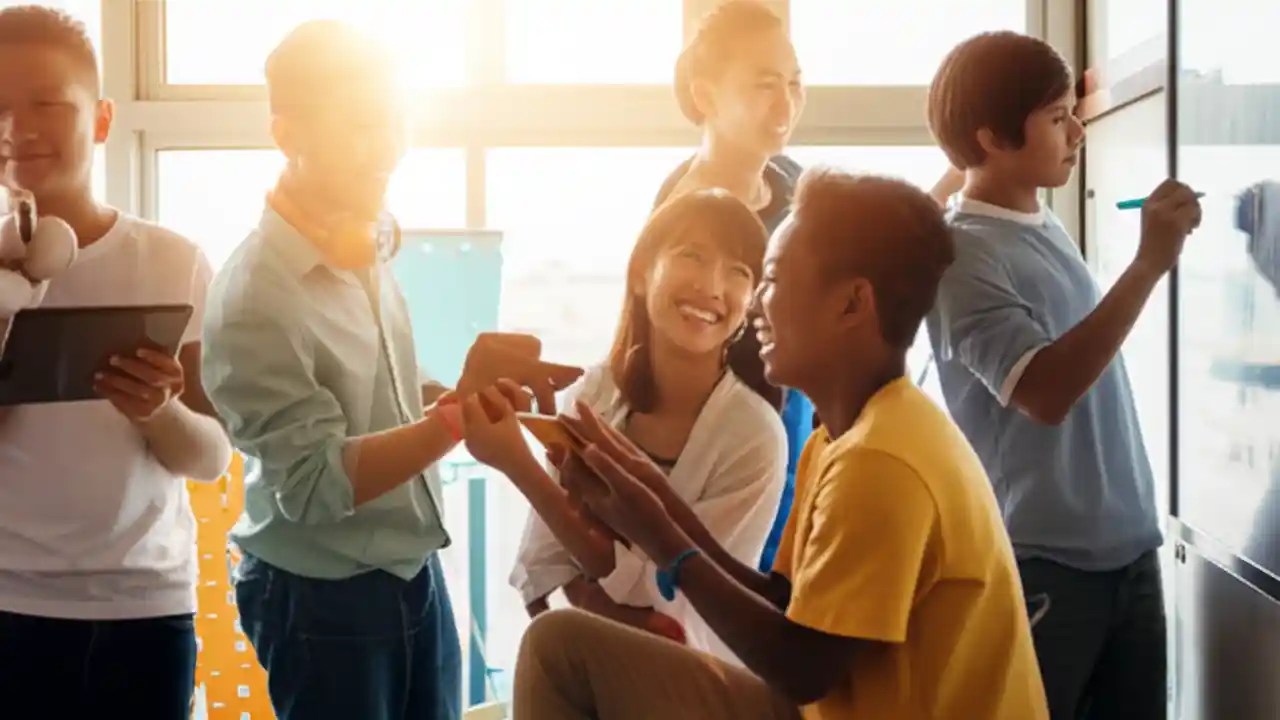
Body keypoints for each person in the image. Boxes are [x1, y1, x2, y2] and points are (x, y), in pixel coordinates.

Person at [478, 169, 1049, 719]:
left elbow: (802, 669)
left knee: (559, 650)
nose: (754, 305)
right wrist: (655, 496)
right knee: (560, 646)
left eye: (768, 279)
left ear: (851, 304)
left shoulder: (881, 461)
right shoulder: (842, 437)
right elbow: (782, 597)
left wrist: (659, 533)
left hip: (817, 697)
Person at [200, 20, 580, 720]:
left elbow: (384, 394)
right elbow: (314, 485)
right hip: (323, 597)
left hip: (410, 569)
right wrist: (457, 416)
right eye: (359, 125)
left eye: (394, 122)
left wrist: (467, 395)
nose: (387, 149)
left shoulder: (359, 235)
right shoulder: (256, 296)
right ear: (287, 135)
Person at [924, 31, 1203, 720]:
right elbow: (1045, 393)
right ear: (992, 138)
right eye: (1057, 118)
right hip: (1046, 565)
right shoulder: (963, 255)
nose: (1078, 132)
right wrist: (1148, 265)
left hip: (1128, 552)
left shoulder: (1036, 221)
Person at [653, 0, 964, 571]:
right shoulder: (685, 214)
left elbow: (870, 250)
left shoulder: (790, 182)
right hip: (727, 448)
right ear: (705, 96)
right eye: (764, 85)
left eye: (794, 84)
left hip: (801, 424)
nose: (786, 104)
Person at [0, 6, 232, 718]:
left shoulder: (172, 261)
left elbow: (211, 457)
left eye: (46, 104)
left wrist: (159, 412)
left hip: (144, 610)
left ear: (101, 120)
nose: (16, 128)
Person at [498, 189, 786, 661]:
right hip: (581, 663)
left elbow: (673, 606)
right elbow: (543, 563)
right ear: (639, 275)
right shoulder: (595, 394)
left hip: (693, 682)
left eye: (739, 271)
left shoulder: (754, 435)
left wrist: (517, 465)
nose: (712, 286)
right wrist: (600, 604)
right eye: (692, 255)